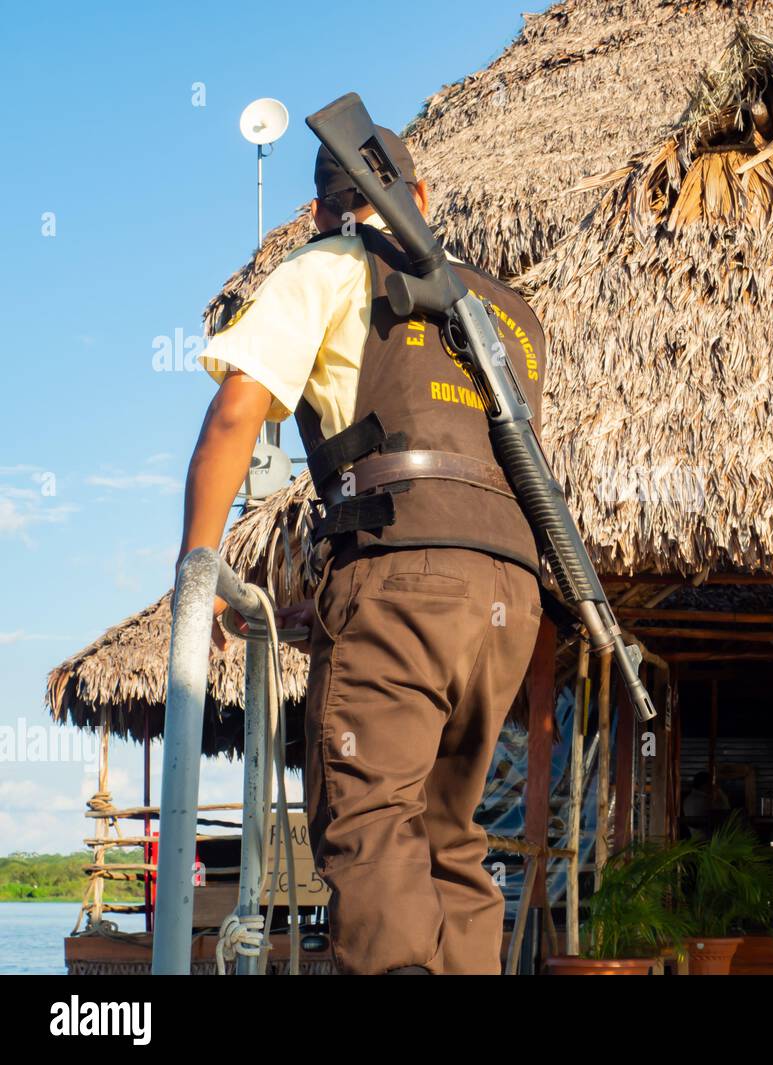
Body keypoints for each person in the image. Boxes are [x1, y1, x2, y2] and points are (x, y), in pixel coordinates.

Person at [180, 124, 546, 974]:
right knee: (450, 834)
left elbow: (238, 414)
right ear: (419, 200)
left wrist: (196, 573)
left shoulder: (328, 263)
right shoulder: (511, 314)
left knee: (369, 816)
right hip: (507, 599)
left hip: (406, 580)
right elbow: (473, 471)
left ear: (317, 213)